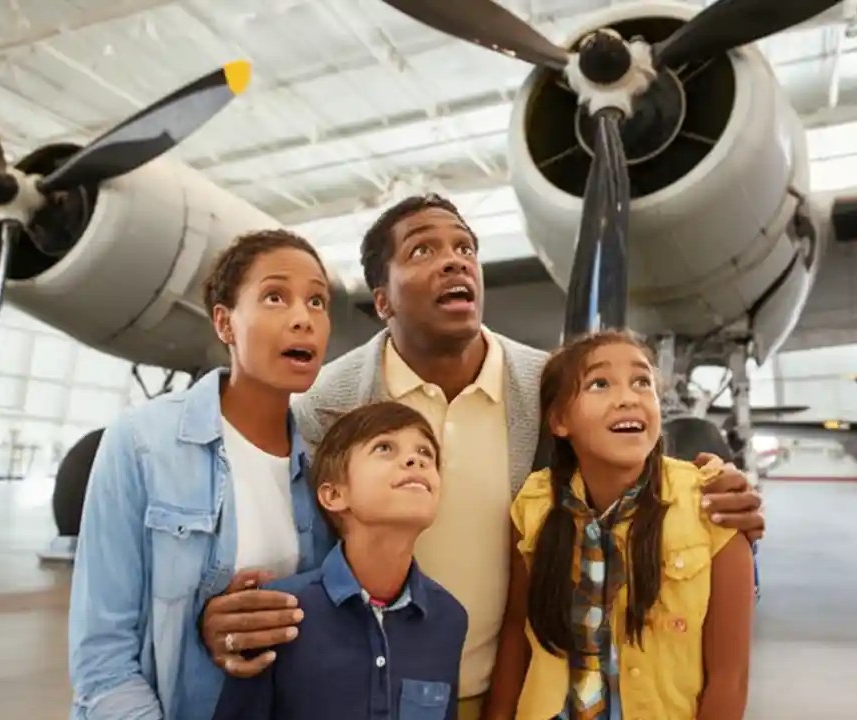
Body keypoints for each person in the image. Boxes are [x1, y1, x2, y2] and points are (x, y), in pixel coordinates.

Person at [202, 194, 766, 719]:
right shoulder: (326, 404)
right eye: (423, 249)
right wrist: (227, 616)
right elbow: (293, 538)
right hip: (366, 691)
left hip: (509, 694)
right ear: (382, 301)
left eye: (465, 248)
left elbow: (631, 467)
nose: (454, 261)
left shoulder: (550, 387)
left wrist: (715, 487)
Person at [68, 229, 337, 720]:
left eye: (318, 301)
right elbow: (102, 659)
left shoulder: (326, 463)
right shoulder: (140, 442)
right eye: (275, 296)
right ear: (224, 322)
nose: (304, 318)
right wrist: (201, 633)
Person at [483, 330, 755, 720]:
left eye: (642, 382)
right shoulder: (533, 506)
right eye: (600, 384)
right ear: (559, 420)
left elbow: (731, 679)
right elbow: (516, 637)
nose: (629, 398)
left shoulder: (712, 503)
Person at [211, 401, 467, 720]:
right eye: (384, 448)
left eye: (426, 453)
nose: (415, 460)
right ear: (333, 495)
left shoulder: (450, 620)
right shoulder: (279, 612)